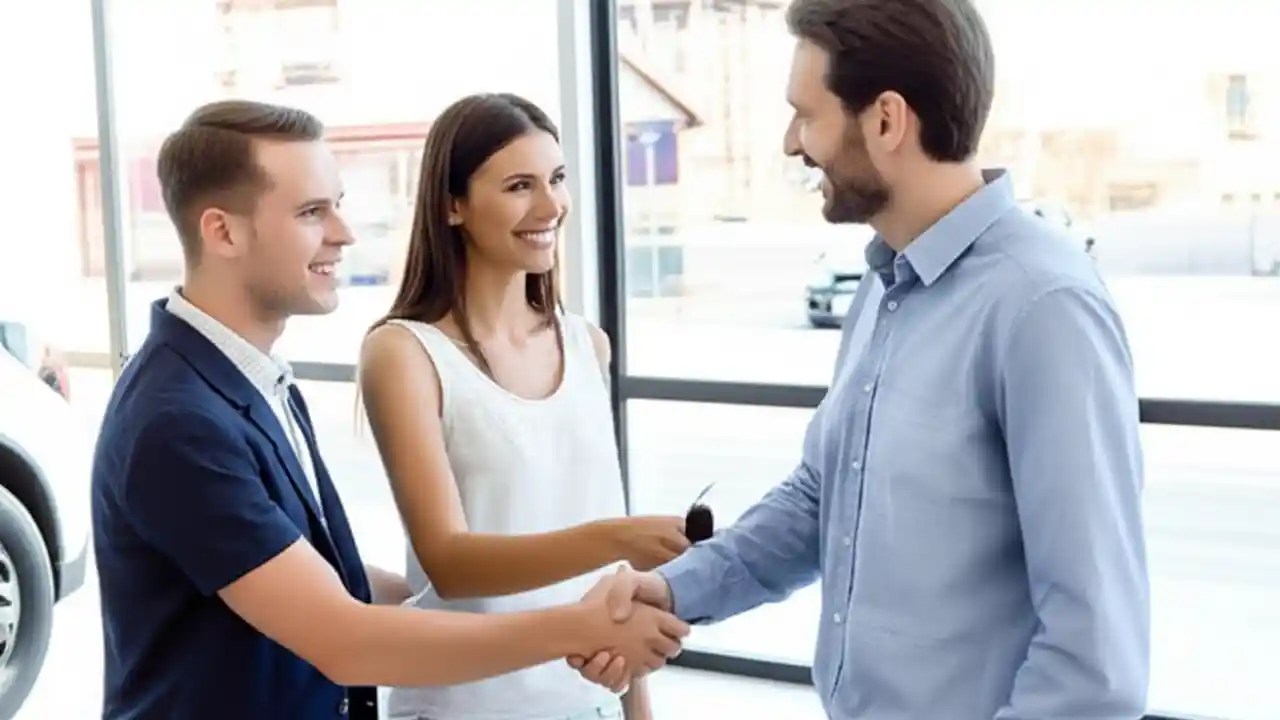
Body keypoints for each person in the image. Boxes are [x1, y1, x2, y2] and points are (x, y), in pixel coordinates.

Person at [574, 0, 1150, 717]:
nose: (792, 143)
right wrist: (674, 589)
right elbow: (824, 499)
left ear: (885, 120)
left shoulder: (1042, 307)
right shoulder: (887, 286)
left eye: (806, 115)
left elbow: (1095, 663)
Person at [90, 99, 688, 720]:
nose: (345, 233)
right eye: (312, 212)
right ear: (223, 232)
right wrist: (577, 627)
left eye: (337, 205)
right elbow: (346, 641)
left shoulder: (251, 384)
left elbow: (307, 575)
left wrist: (484, 617)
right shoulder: (178, 423)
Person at [357, 92, 689, 720]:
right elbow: (450, 562)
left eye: (557, 179)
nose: (550, 206)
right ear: (452, 205)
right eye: (518, 185)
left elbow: (614, 579)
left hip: (584, 704)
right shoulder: (405, 354)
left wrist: (638, 709)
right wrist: (617, 535)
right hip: (461, 707)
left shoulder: (588, 345)